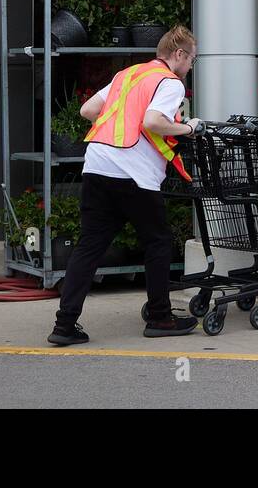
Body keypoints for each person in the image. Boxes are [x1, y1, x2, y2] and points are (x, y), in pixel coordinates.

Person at [47, 25, 202, 345]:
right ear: (179, 55)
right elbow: (152, 121)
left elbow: (87, 110)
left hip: (96, 165)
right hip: (134, 174)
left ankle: (64, 325)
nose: (190, 68)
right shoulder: (170, 82)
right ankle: (161, 317)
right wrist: (187, 128)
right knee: (158, 242)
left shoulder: (127, 75)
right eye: (192, 61)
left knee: (89, 245)